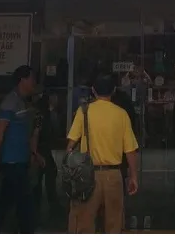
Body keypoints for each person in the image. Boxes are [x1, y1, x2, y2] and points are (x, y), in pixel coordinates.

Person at [65, 75, 139, 233]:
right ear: (114, 90)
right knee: (114, 226)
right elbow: (130, 150)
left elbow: (70, 145)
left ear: (93, 90)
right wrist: (133, 176)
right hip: (114, 176)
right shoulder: (121, 114)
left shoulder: (83, 111)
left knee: (84, 225)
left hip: (87, 176)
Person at [0, 66, 42, 233]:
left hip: (21, 161)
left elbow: (28, 133)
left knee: (5, 202)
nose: (34, 82)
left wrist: (34, 153)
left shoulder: (24, 102)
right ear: (22, 80)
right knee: (25, 204)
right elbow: (0, 133)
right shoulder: (10, 102)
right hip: (12, 162)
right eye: (31, 78)